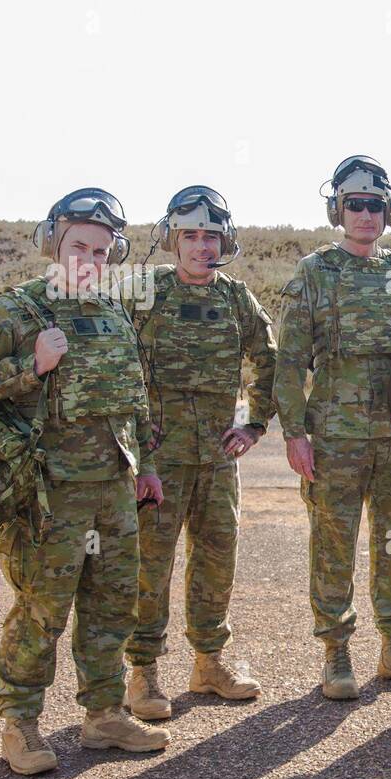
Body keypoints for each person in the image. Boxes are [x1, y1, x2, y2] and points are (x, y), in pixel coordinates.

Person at [0, 188, 169, 774]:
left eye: (100, 251)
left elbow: (134, 400)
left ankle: (103, 715)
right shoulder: (16, 311)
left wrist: (144, 467)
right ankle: (19, 722)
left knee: (112, 604)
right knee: (43, 609)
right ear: (53, 244)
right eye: (78, 247)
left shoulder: (115, 310)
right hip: (49, 495)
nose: (88, 260)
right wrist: (31, 366)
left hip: (113, 490)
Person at [275, 156, 391, 700]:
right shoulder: (314, 272)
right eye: (356, 205)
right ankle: (336, 651)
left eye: (376, 206)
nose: (367, 215)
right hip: (334, 438)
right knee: (334, 543)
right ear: (338, 210)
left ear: (388, 211)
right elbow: (290, 361)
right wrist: (295, 434)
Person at [120, 186, 275, 719]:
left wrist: (254, 423)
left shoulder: (235, 298)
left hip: (216, 458)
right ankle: (142, 675)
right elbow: (109, 359)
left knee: (216, 561)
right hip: (157, 461)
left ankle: (208, 662)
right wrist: (132, 442)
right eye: (191, 235)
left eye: (212, 236)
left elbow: (270, 357)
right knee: (150, 567)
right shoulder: (141, 292)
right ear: (170, 239)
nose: (202, 246)